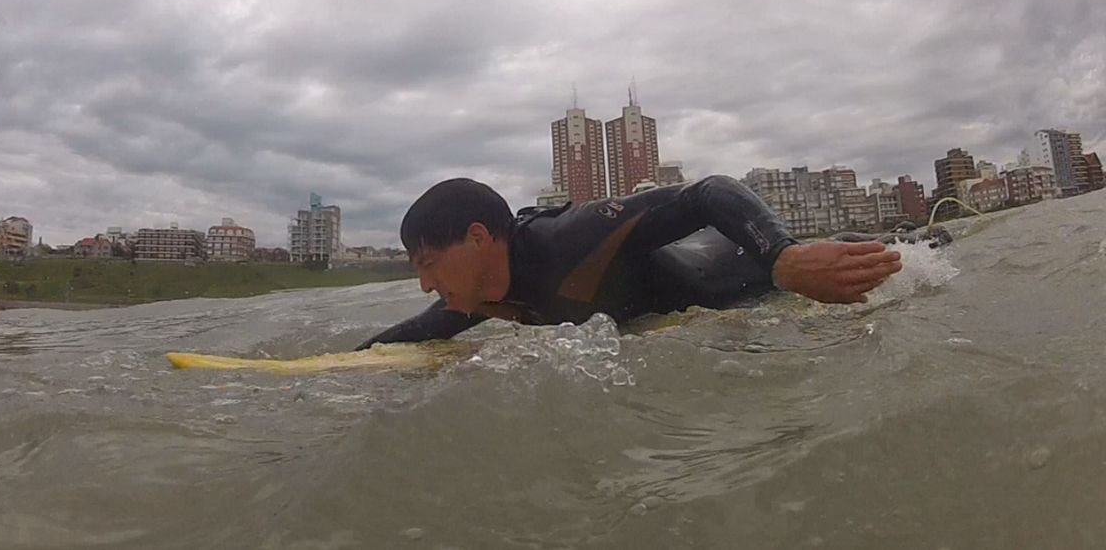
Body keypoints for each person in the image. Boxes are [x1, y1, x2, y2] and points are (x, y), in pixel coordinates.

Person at [356, 175, 905, 350]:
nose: (425, 284)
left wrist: (784, 260)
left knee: (896, 256)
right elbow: (424, 332)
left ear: (478, 239)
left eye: (428, 263)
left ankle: (921, 238)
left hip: (750, 276)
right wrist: (345, 361)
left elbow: (708, 193)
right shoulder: (484, 293)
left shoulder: (573, 237)